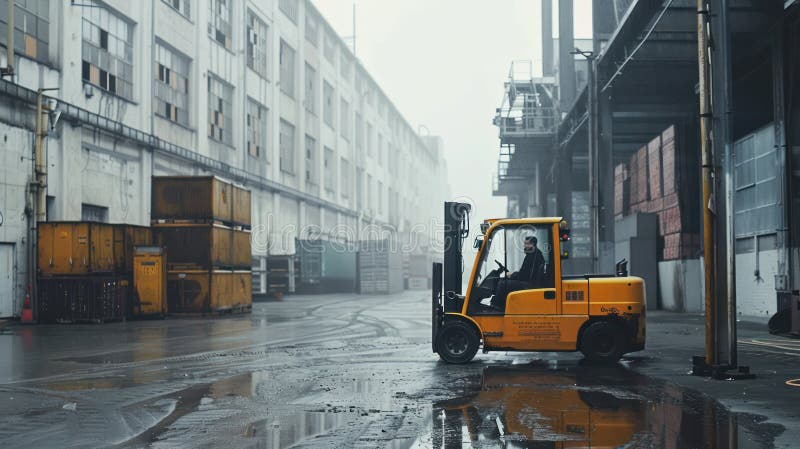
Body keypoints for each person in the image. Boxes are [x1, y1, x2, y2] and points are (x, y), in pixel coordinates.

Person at [489, 236, 545, 311]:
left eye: (527, 244)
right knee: (502, 280)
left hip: (529, 284)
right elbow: (524, 273)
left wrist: (512, 275)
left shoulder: (533, 257)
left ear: (533, 244)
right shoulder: (534, 254)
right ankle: (502, 305)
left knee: (502, 284)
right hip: (528, 281)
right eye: (525, 244)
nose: (525, 246)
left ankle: (496, 308)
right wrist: (513, 275)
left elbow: (523, 275)